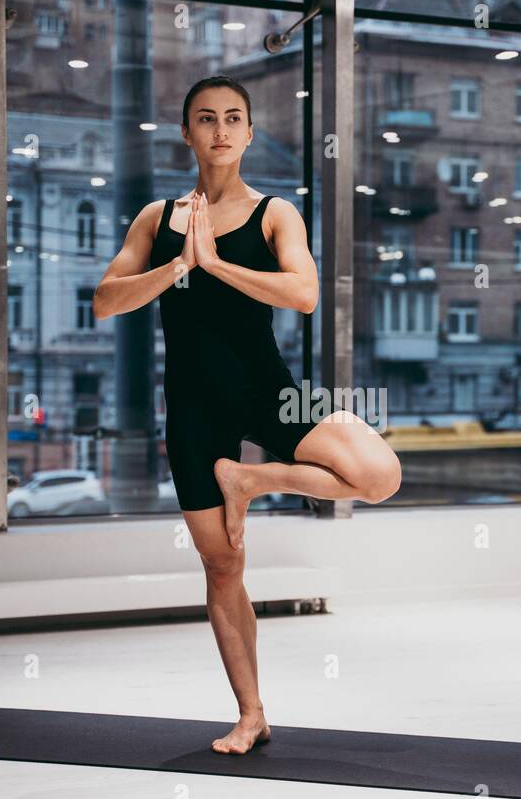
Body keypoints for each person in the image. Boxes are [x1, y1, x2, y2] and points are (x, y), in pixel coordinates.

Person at [93, 75, 401, 754]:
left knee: (377, 474)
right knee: (224, 566)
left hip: (270, 391)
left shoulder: (274, 214)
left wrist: (217, 265)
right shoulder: (157, 218)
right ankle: (251, 712)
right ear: (187, 133)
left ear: (251, 132)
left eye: (234, 118)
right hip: (195, 410)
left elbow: (305, 293)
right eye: (206, 118)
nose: (221, 130)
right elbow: (106, 300)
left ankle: (255, 480)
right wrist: (180, 265)